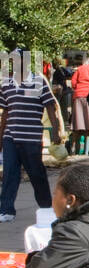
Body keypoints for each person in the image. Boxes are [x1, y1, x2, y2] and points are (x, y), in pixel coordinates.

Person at [0, 60, 64, 222]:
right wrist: (0, 137)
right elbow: (5, 113)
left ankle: (46, 208)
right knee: (9, 173)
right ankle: (6, 210)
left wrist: (56, 133)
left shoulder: (38, 81)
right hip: (11, 137)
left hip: (31, 137)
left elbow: (50, 106)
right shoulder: (6, 84)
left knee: (36, 174)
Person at [70, 51, 89, 156]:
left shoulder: (81, 68)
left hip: (78, 96)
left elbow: (73, 83)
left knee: (77, 123)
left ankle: (73, 147)